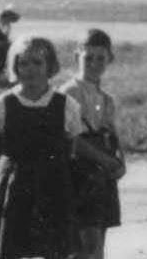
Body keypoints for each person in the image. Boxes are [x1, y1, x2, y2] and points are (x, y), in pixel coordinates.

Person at [0, 36, 122, 259]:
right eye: (23, 63)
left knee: (54, 248)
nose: (30, 70)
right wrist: (6, 176)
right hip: (13, 188)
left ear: (50, 66)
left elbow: (70, 147)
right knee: (11, 247)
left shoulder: (66, 105)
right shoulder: (1, 105)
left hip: (53, 186)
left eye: (37, 63)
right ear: (15, 66)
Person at [57, 30, 125, 259]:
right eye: (89, 57)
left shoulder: (106, 99)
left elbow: (113, 136)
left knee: (98, 243)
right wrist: (104, 159)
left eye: (101, 58)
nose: (94, 63)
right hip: (78, 174)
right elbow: (71, 139)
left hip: (101, 177)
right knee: (84, 245)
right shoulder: (70, 92)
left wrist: (120, 162)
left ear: (110, 59)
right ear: (77, 57)